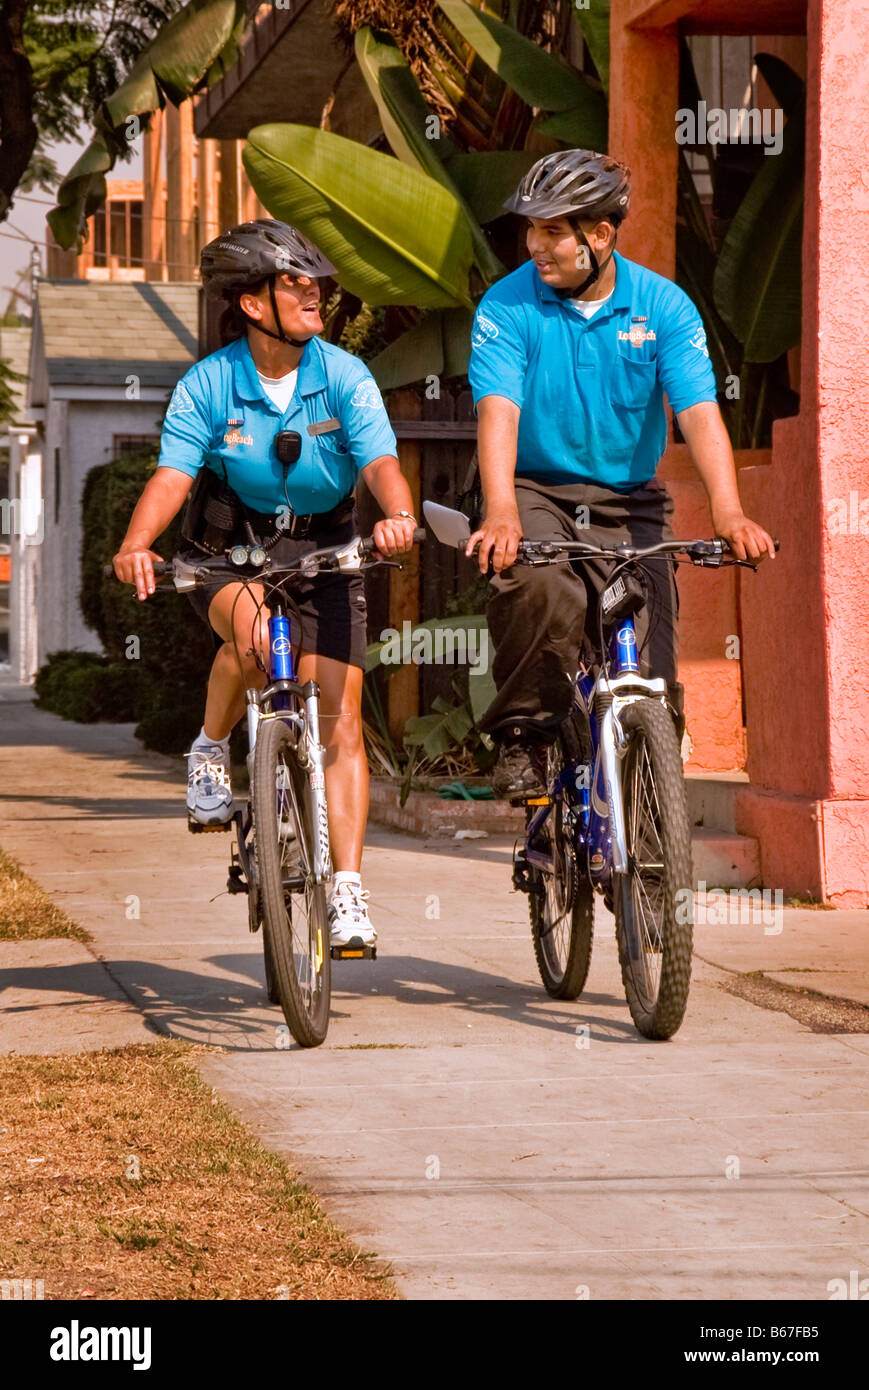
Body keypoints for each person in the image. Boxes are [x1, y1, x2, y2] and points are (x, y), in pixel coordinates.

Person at [113, 219, 418, 946]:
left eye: (314, 282)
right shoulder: (208, 383)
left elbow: (376, 461)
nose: (313, 294)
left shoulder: (343, 375)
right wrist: (135, 541)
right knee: (253, 642)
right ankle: (212, 746)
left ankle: (345, 889)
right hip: (232, 552)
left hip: (327, 548)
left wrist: (399, 511)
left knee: (341, 722)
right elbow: (173, 474)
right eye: (293, 283)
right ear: (252, 305)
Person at [466, 149, 776, 799]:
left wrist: (728, 512)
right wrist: (501, 510)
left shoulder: (662, 306)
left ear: (599, 236)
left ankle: (649, 813)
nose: (533, 245)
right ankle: (526, 735)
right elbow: (497, 412)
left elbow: (697, 415)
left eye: (551, 230)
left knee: (655, 656)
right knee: (541, 585)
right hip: (536, 488)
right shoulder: (505, 305)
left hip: (629, 497)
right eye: (530, 229)